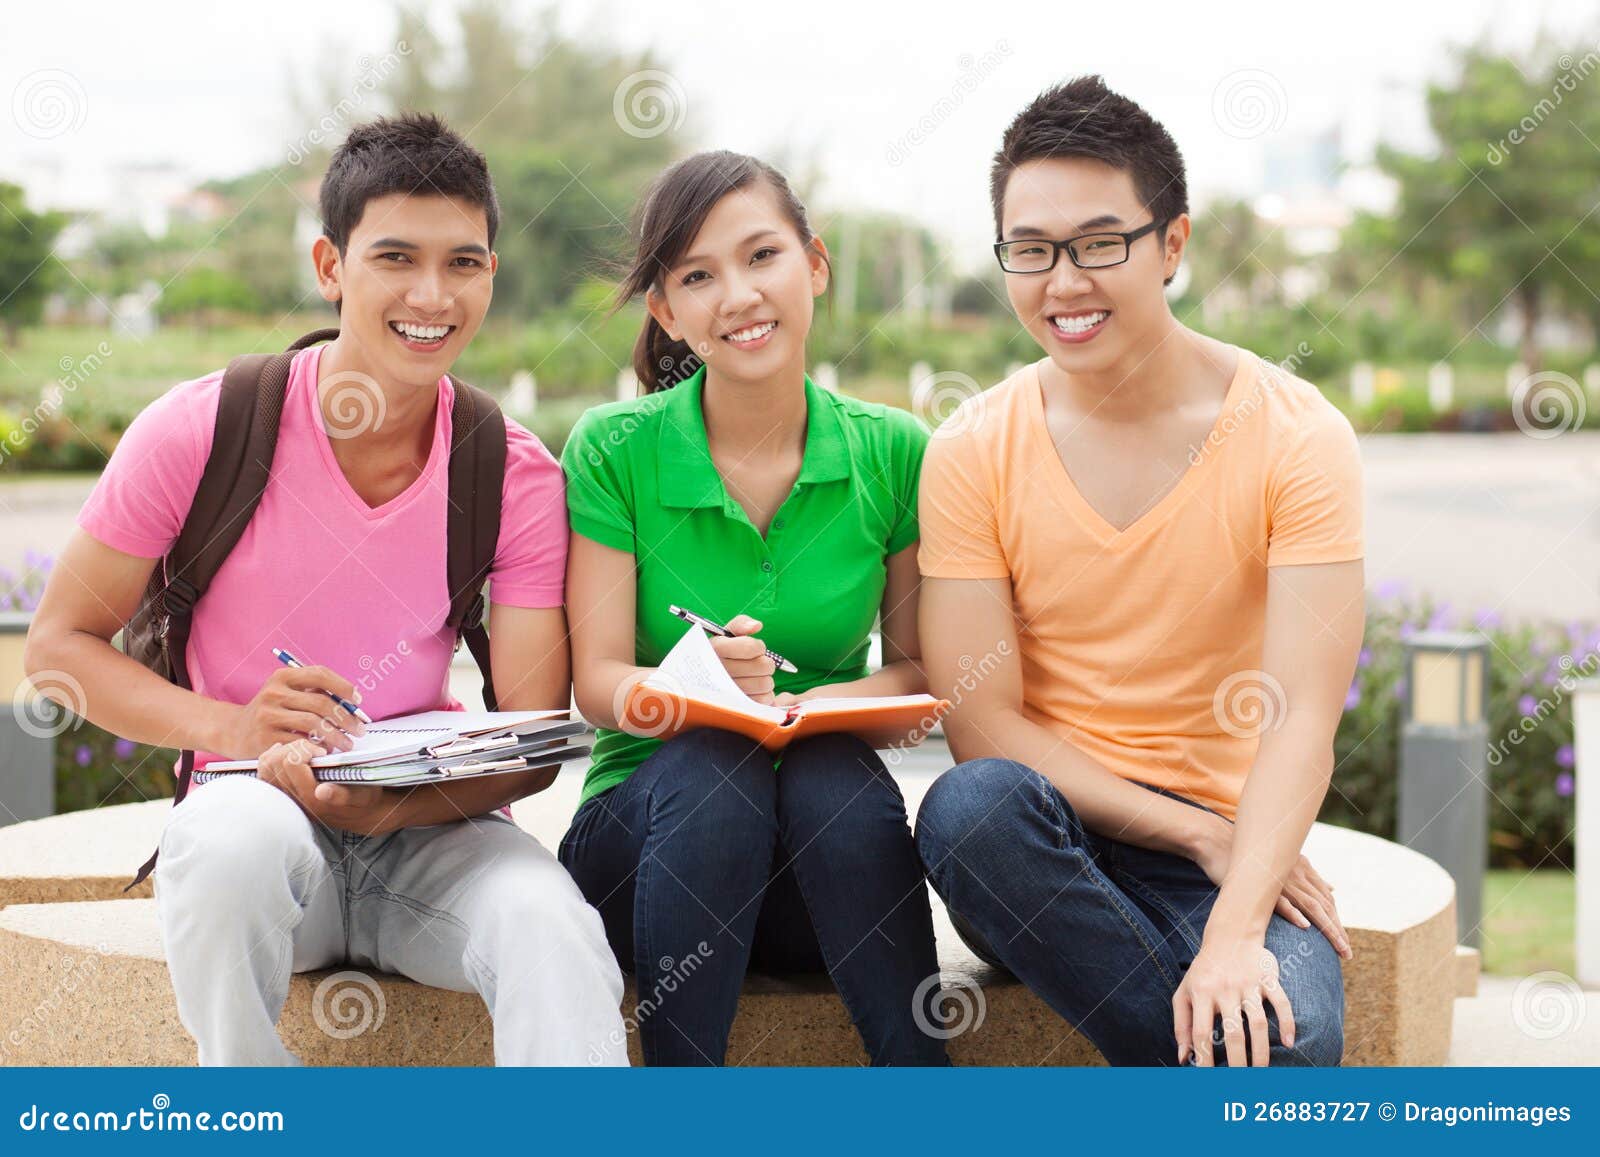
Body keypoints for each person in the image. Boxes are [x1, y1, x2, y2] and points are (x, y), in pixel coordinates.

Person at [23, 112, 625, 1066]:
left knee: (552, 929)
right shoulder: (200, 430)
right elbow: (57, 649)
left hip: (434, 836)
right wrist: (237, 729)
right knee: (230, 852)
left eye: (463, 262)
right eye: (395, 256)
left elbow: (531, 743)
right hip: (253, 817)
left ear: (491, 275)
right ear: (331, 265)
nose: (433, 294)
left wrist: (389, 807)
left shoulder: (509, 473)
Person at [912, 76, 1364, 1067]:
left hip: (1229, 859)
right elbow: (983, 723)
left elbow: (1299, 716)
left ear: (1173, 242)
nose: (1062, 281)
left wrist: (1238, 917)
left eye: (1099, 242)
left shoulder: (1297, 435)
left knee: (1298, 1035)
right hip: (1041, 850)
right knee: (968, 807)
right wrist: (1192, 833)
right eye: (1029, 250)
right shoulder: (971, 447)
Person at [557, 150, 947, 1066]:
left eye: (761, 256)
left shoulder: (895, 450)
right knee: (718, 765)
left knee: (829, 773)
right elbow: (597, 681)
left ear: (814, 265)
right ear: (667, 311)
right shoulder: (617, 448)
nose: (738, 295)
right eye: (698, 275)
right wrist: (695, 685)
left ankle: (926, 1089)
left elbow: (925, 669)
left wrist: (802, 711)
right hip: (645, 861)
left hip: (816, 883)